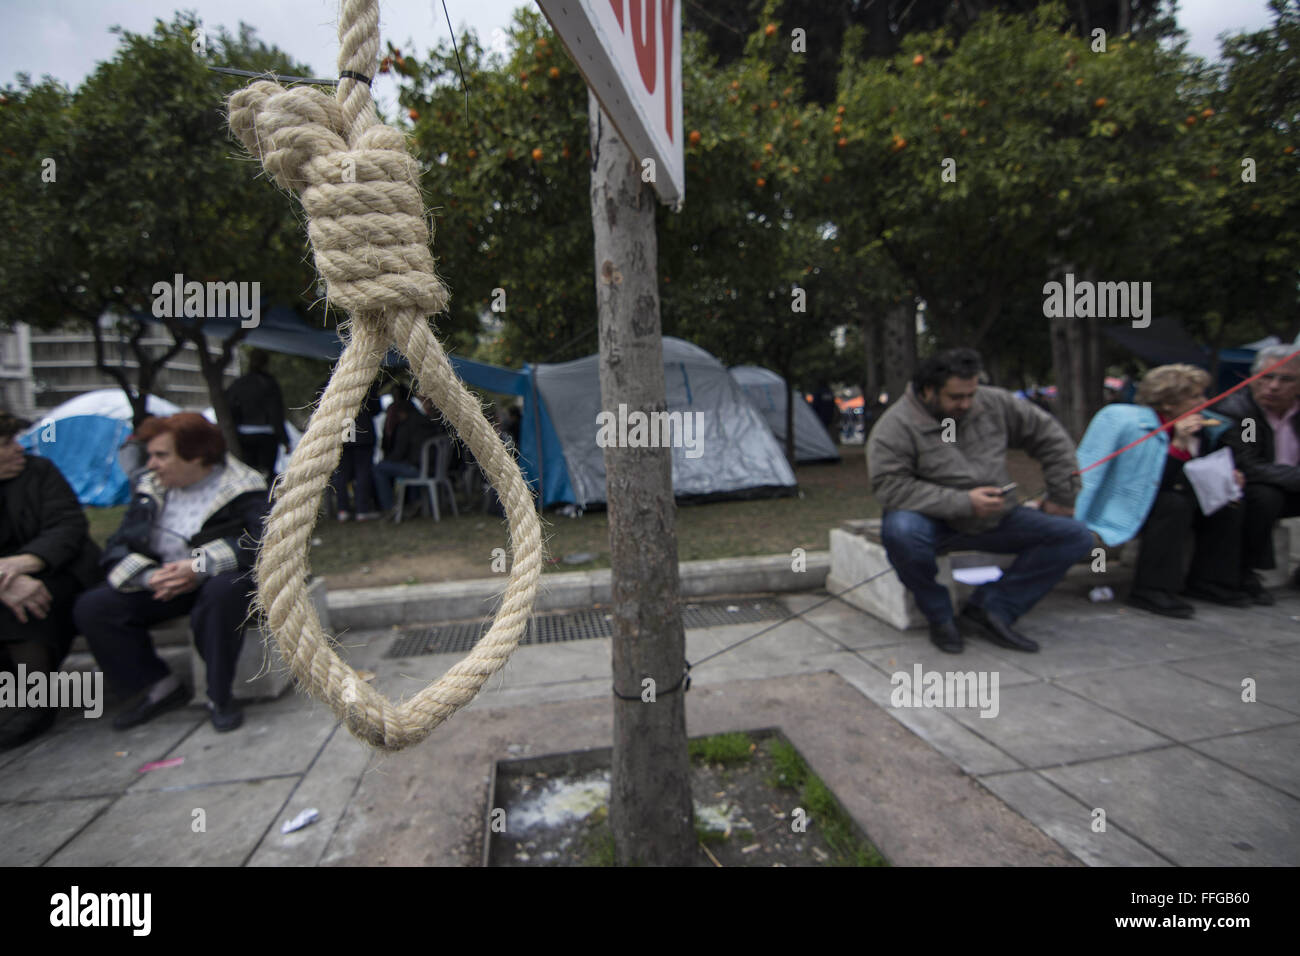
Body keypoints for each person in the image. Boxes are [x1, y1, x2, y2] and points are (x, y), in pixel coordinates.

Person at [868, 348, 1093, 654]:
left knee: (1076, 536)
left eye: (971, 394)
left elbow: (1050, 437)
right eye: (956, 397)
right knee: (901, 533)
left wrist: (1062, 496)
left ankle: (992, 608)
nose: (967, 404)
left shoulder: (995, 402)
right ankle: (939, 614)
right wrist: (963, 502)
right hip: (932, 520)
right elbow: (889, 487)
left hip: (996, 514)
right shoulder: (894, 426)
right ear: (928, 391)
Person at [72, 413, 270, 732]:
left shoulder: (243, 488)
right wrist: (149, 576)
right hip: (164, 584)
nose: (151, 464)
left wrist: (199, 566)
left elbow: (264, 542)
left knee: (222, 593)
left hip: (219, 582)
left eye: (161, 455)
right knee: (94, 607)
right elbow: (118, 545)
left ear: (197, 455)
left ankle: (219, 695)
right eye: (150, 455)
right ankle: (158, 686)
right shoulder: (151, 490)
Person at [1074, 364, 1247, 618]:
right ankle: (1152, 589)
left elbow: (1196, 474)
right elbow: (1154, 482)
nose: (1204, 402)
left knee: (1231, 505)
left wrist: (1227, 477)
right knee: (1173, 505)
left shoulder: (1206, 428)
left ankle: (1210, 581)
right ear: (1169, 402)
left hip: (1179, 496)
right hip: (1130, 502)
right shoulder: (1134, 423)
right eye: (1195, 396)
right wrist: (1178, 445)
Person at [0, 410, 104, 749]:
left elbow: (68, 527)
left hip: (56, 570)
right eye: (5, 443)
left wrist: (17, 568)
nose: (18, 449)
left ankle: (35, 701)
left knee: (30, 604)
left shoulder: (39, 473)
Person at [1210, 345, 1300, 602]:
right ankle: (1245, 573)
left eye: (1286, 379)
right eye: (1266, 377)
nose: (1273, 386)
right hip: (1251, 486)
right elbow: (1249, 465)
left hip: (1289, 483)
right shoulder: (1243, 413)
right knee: (1265, 497)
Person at [225, 349, 290, 482]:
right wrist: (284, 440)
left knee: (249, 473)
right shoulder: (269, 383)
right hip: (266, 435)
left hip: (244, 435)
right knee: (266, 474)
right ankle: (265, 500)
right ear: (266, 363)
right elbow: (276, 413)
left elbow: (230, 408)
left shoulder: (239, 383)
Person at [374, 385, 438, 514]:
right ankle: (414, 500)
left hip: (417, 468)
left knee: (380, 467)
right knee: (402, 464)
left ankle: (389, 506)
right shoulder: (426, 421)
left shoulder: (406, 426)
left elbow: (399, 453)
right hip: (434, 467)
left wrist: (388, 459)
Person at [327, 379, 383, 521]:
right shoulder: (366, 384)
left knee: (343, 474)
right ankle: (362, 509)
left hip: (345, 432)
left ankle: (343, 509)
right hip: (362, 433)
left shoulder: (336, 384)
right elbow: (376, 408)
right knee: (362, 473)